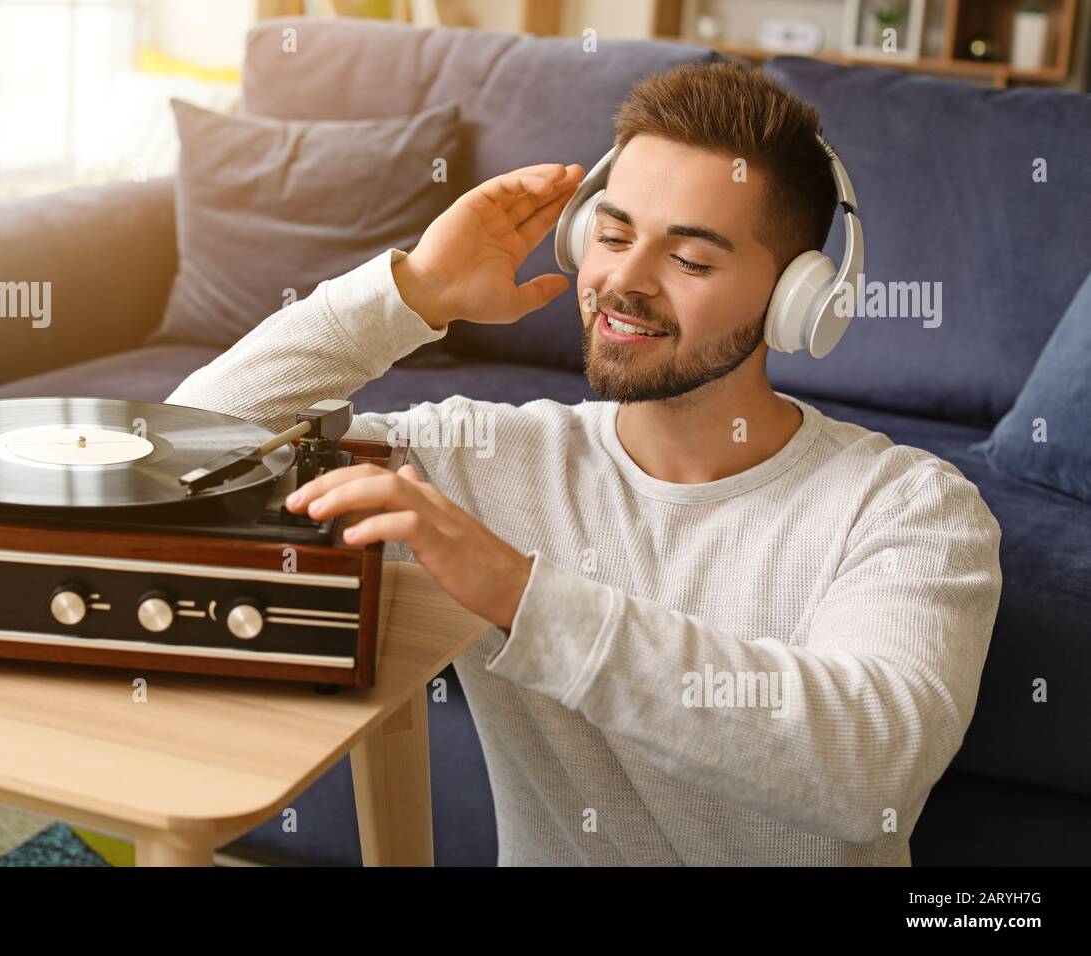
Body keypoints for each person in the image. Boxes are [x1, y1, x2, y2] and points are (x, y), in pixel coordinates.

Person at [167, 62, 1002, 866]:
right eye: (611, 234)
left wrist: (519, 592)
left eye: (690, 259)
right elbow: (179, 445)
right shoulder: (484, 460)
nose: (621, 283)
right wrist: (413, 293)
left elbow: (869, 766)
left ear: (798, 302)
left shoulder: (910, 508)